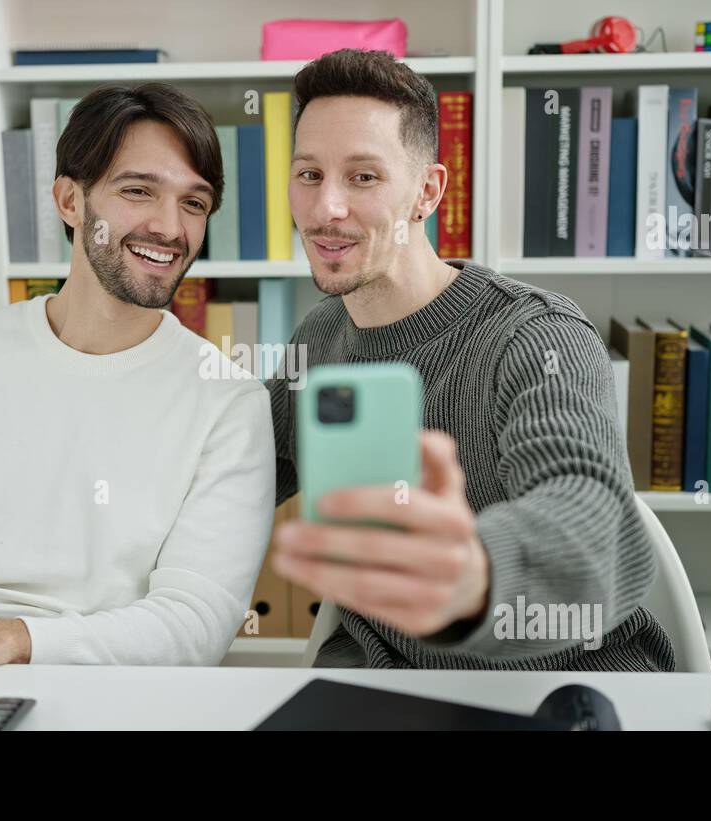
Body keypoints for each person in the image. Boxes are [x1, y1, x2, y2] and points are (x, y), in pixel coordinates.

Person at [267, 49, 673, 671]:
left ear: (426, 192)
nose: (326, 209)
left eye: (364, 177)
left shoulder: (538, 338)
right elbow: (229, 469)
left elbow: (598, 527)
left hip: (566, 685)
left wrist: (473, 578)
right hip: (396, 693)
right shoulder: (319, 338)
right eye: (309, 174)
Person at [0, 83, 274, 676]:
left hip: (104, 691)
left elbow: (195, 627)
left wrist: (9, 640)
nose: (169, 227)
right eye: (138, 191)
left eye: (194, 202)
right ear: (69, 200)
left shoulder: (228, 401)